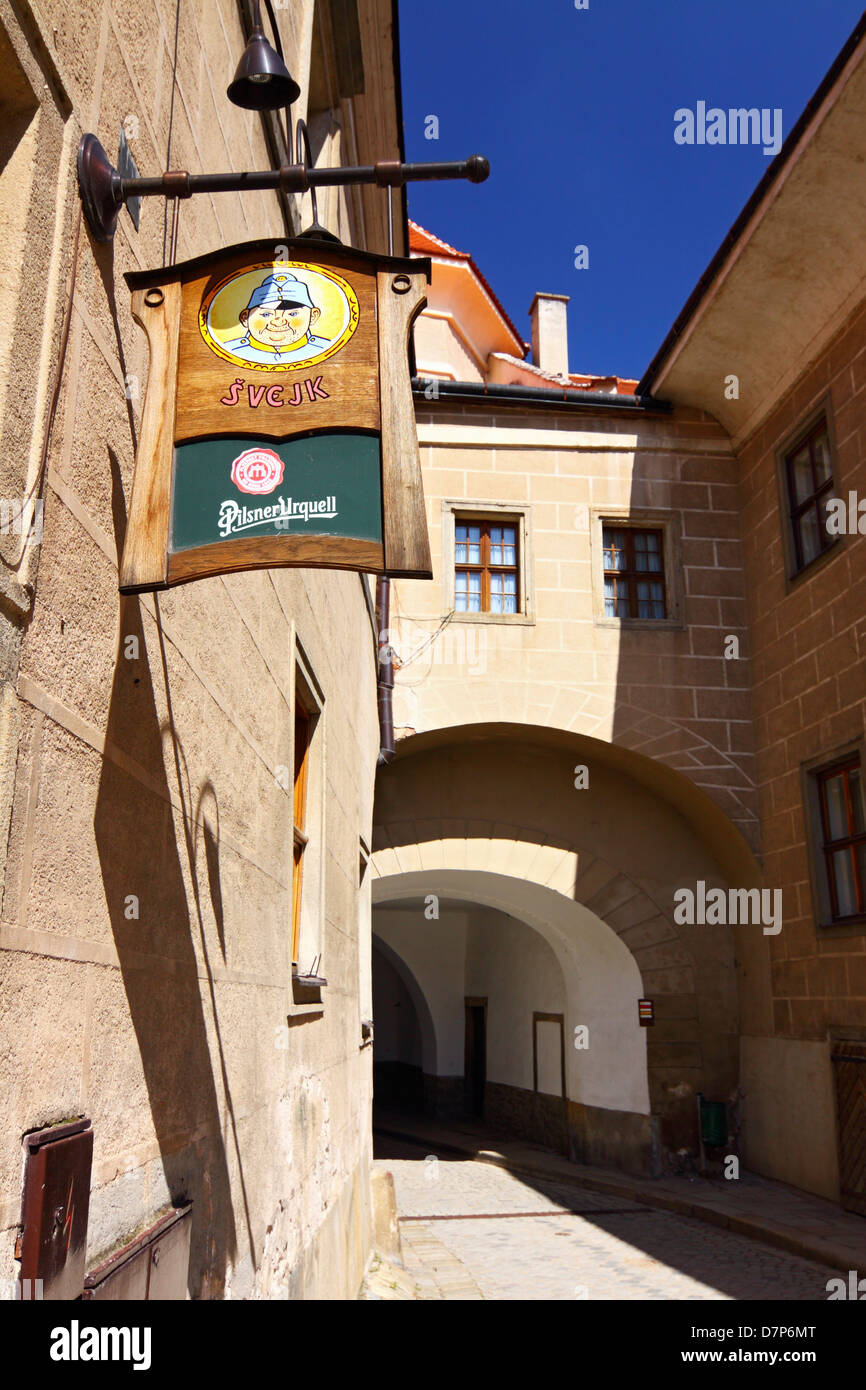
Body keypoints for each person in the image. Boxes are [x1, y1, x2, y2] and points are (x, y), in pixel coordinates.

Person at [223, 271, 331, 365]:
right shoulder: (230, 350)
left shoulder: (324, 348)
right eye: (266, 314)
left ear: (313, 316)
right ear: (245, 318)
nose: (278, 322)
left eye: (292, 314)